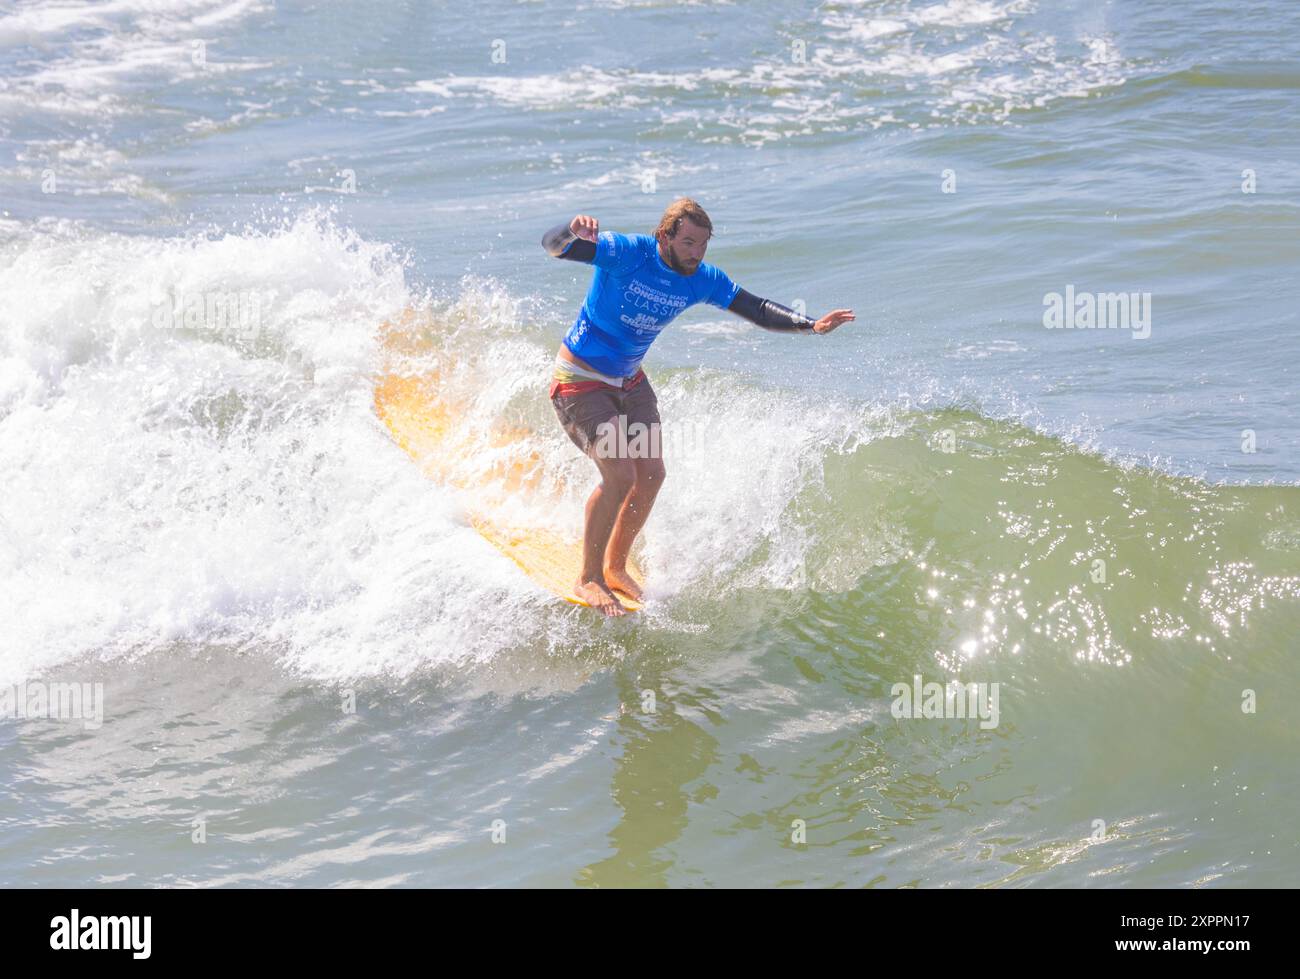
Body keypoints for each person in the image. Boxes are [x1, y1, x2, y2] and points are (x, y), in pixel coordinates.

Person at [542, 197, 855, 616]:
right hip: (580, 380)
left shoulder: (701, 278)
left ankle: (615, 568)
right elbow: (554, 246)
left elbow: (755, 307)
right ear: (664, 236)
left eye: (703, 244)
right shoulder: (628, 253)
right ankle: (589, 577)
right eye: (688, 242)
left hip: (630, 381)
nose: (696, 253)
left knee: (650, 475)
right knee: (618, 473)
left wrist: (810, 324)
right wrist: (570, 229)